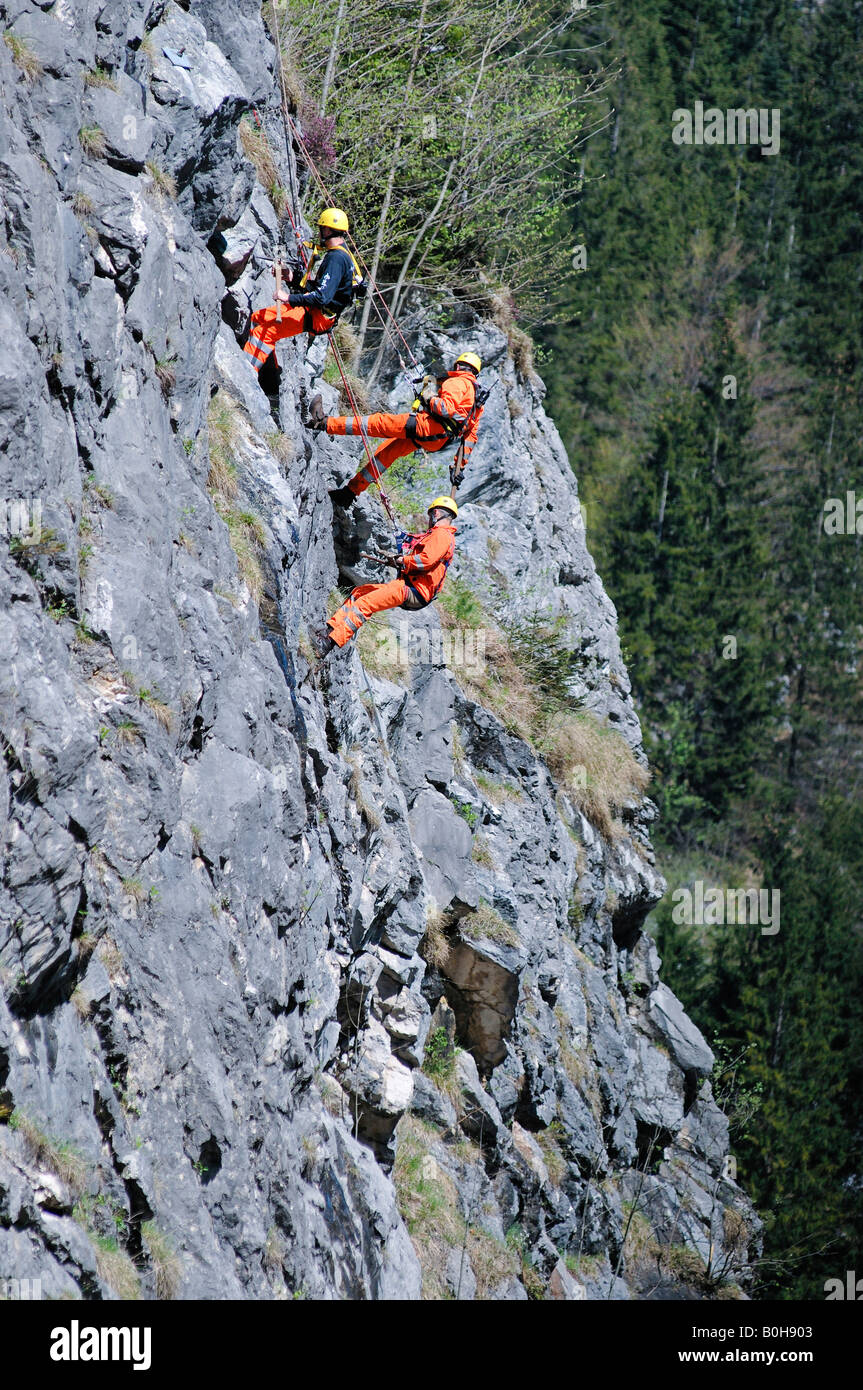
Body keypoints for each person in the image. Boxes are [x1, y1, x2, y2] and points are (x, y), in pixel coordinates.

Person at [307, 353, 484, 507]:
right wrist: (457, 468)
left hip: (427, 426)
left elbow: (445, 408)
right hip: (438, 439)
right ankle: (348, 494)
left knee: (378, 423)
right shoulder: (477, 402)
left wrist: (429, 397)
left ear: (459, 366)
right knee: (386, 455)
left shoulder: (459, 382)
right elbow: (470, 438)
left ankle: (323, 422)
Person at [311, 496, 458, 657]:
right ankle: (330, 629)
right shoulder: (438, 536)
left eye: (430, 516)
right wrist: (400, 561)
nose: (429, 521)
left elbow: (426, 561)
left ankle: (328, 644)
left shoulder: (442, 535)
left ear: (435, 513)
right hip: (409, 586)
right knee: (361, 593)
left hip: (413, 589)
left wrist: (403, 560)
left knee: (365, 604)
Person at [243, 207, 363, 375]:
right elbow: (323, 289)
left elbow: (322, 297)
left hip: (317, 315)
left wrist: (289, 298)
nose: (320, 233)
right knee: (258, 319)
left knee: (264, 332)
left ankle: (245, 376)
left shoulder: (336, 258)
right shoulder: (341, 254)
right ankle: (269, 376)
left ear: (327, 229)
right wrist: (292, 277)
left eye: (321, 229)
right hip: (315, 309)